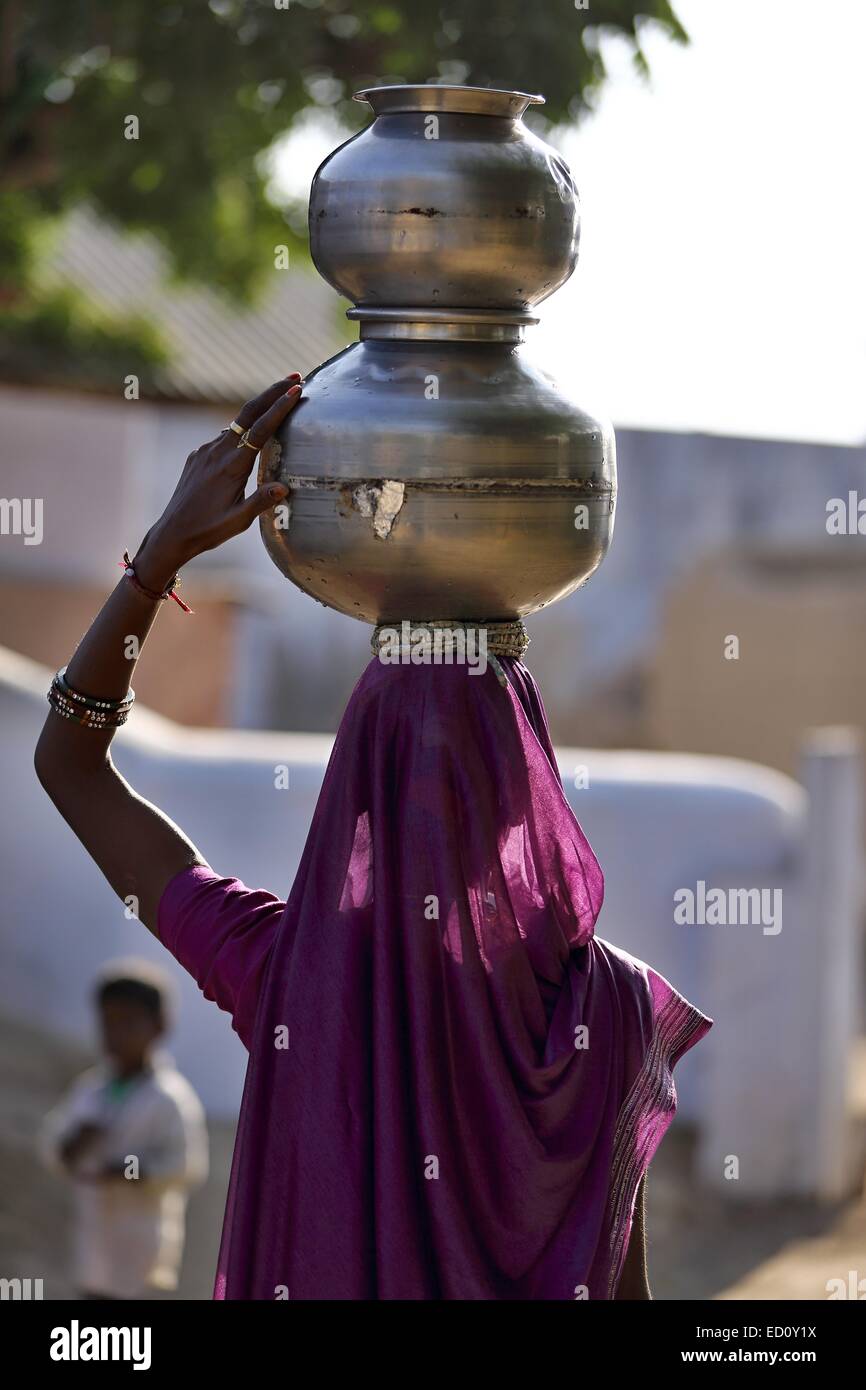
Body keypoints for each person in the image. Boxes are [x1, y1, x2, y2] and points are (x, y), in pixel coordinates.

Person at [35, 375, 711, 1300]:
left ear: (358, 787)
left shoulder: (286, 972)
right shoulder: (608, 1012)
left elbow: (69, 763)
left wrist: (160, 558)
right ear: (528, 797)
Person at [39, 959, 208, 1300]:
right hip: (94, 1239)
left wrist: (133, 1171)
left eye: (128, 1023)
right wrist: (71, 1146)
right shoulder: (90, 1090)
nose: (116, 1034)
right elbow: (52, 1145)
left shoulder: (171, 1098)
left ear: (159, 1026)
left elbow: (187, 1166)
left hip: (143, 1246)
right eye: (108, 1023)